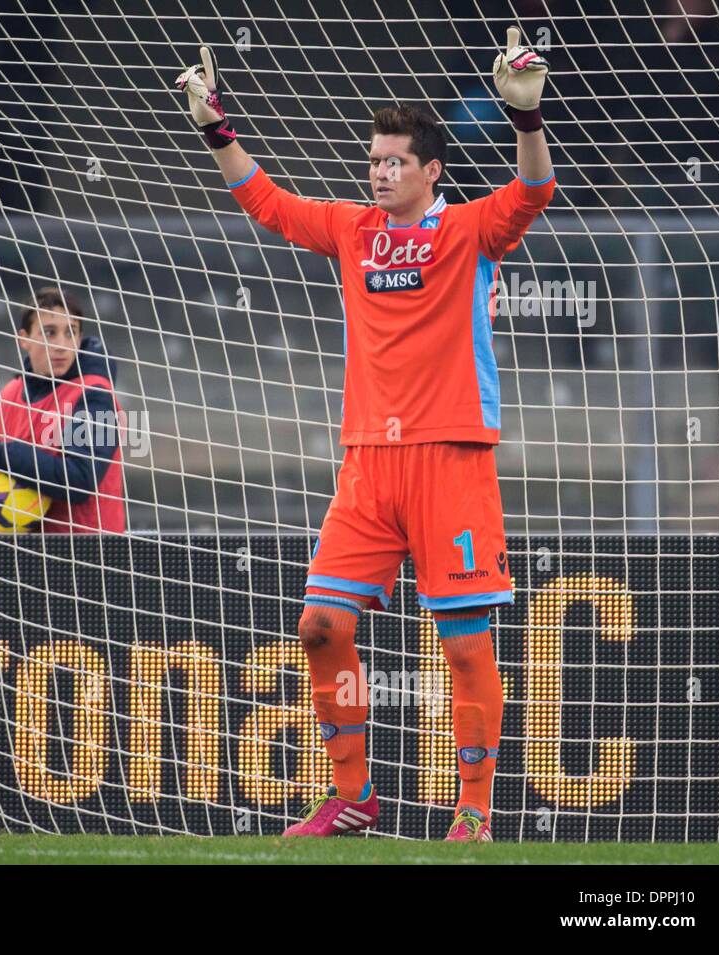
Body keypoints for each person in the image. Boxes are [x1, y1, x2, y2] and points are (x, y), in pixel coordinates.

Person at [175, 28, 555, 841]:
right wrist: (216, 126)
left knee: (461, 644)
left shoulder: (467, 232)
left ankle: (476, 809)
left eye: (393, 162)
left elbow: (531, 195)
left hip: (452, 458)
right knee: (320, 626)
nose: (377, 171)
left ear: (432, 173)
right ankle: (353, 796)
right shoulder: (353, 228)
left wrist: (526, 119)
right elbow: (269, 204)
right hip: (367, 463)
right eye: (374, 159)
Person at [0, 288, 125, 533]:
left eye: (70, 333)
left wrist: (1, 454)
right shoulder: (9, 395)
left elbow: (79, 480)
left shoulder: (96, 396)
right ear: (24, 339)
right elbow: (6, 480)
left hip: (91, 557)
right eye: (49, 333)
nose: (61, 345)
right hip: (25, 555)